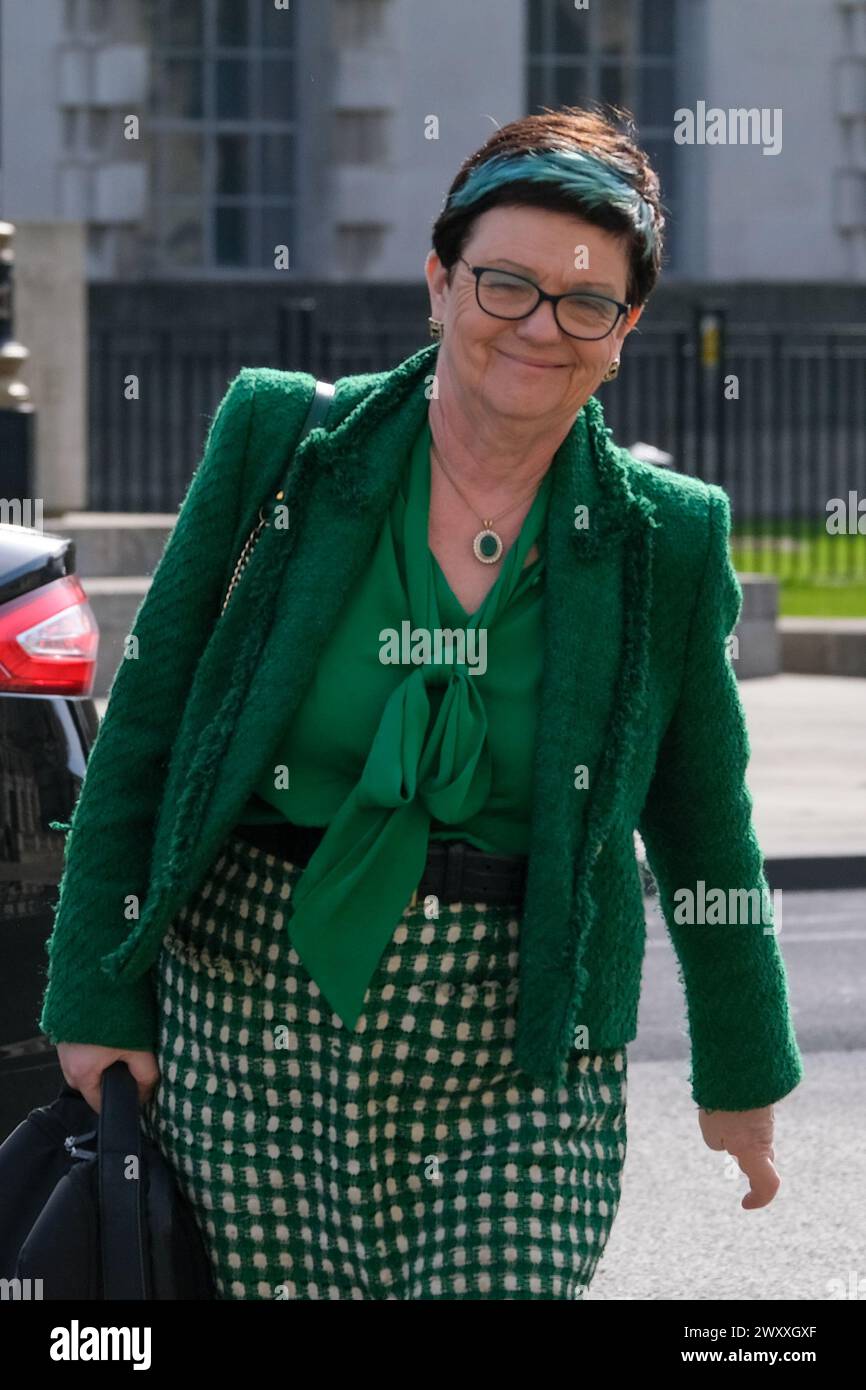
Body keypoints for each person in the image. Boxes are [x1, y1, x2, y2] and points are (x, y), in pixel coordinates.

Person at [40, 105, 803, 1301]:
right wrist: (92, 994)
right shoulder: (282, 442)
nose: (539, 325)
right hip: (253, 1009)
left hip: (519, 1035)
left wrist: (741, 1072)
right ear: (439, 282)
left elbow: (702, 812)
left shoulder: (668, 536)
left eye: (583, 299)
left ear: (623, 331)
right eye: (505, 283)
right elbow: (144, 727)